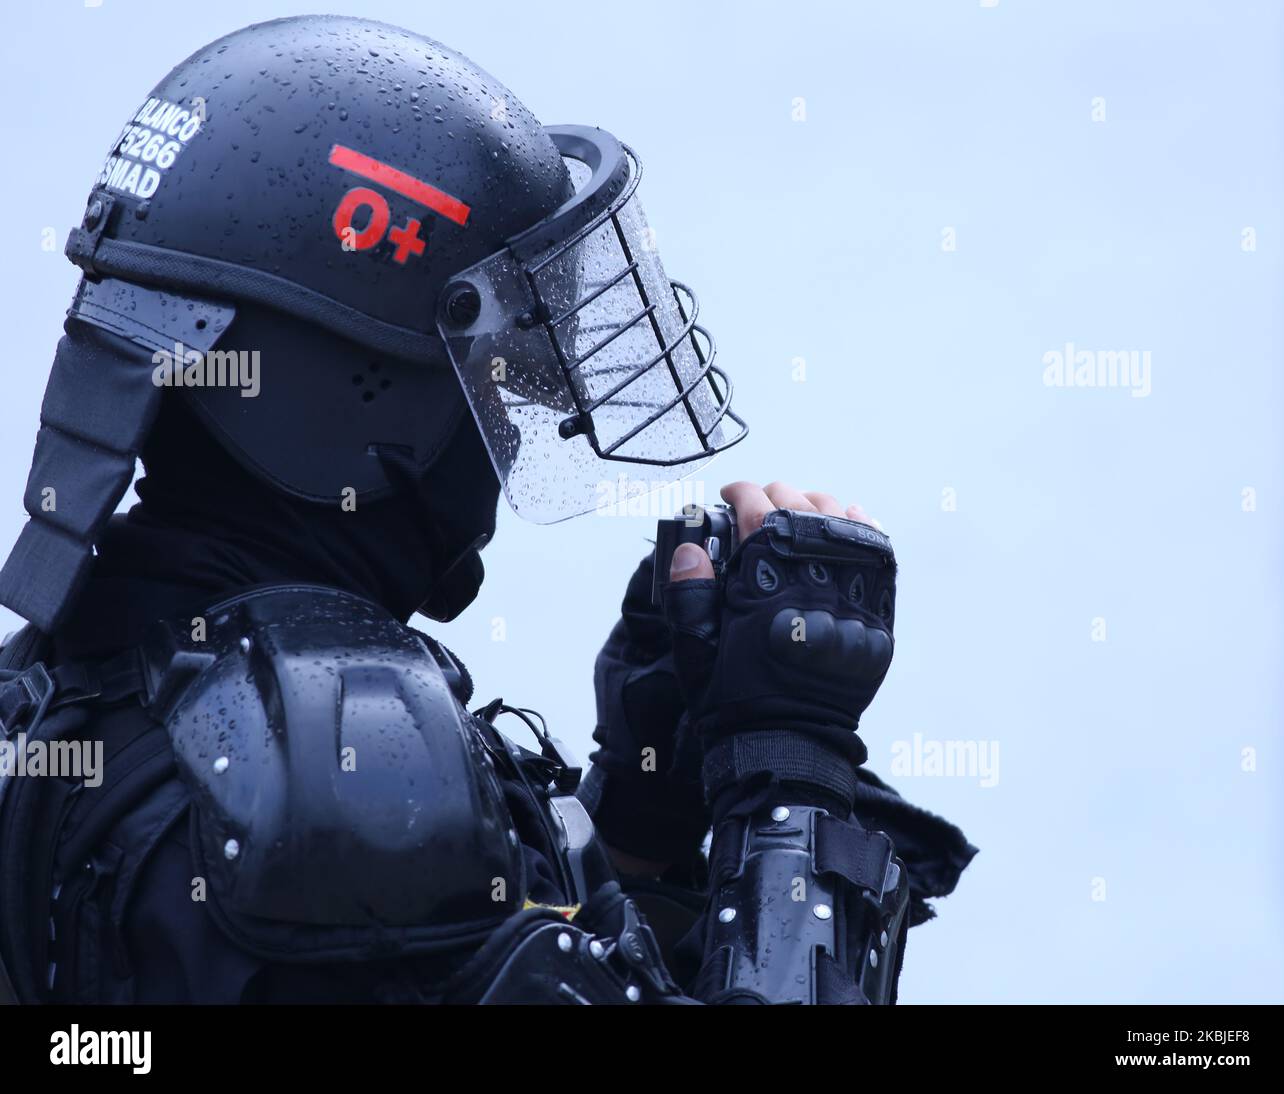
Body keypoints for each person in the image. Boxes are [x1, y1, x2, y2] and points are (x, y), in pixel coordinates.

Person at [0, 15, 974, 1005]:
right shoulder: (342, 770)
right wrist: (789, 773)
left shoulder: (62, 682)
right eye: (494, 381)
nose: (509, 426)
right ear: (356, 398)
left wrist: (645, 814)